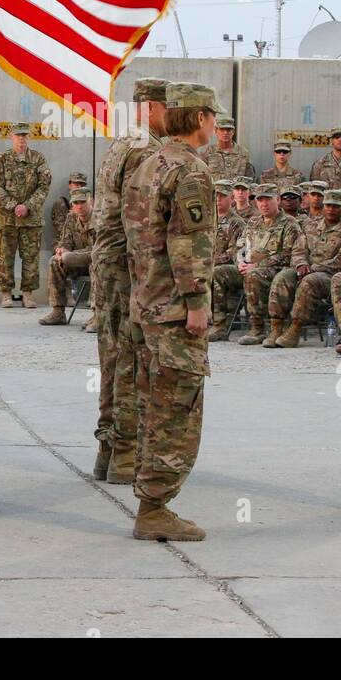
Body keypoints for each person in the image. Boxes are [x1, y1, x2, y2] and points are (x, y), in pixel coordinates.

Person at [123, 82, 218, 542]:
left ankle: (150, 500)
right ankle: (155, 507)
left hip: (146, 302)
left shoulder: (148, 165)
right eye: (213, 117)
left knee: (151, 403)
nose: (216, 125)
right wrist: (196, 302)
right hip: (174, 310)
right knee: (176, 408)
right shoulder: (190, 171)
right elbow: (187, 244)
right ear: (199, 119)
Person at [90, 79, 167, 481]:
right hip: (126, 264)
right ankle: (124, 453)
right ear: (152, 108)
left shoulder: (125, 141)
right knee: (130, 356)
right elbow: (140, 221)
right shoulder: (145, 149)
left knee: (113, 354)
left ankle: (109, 449)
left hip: (109, 262)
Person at [269, 188, 341, 348]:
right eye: (328, 205)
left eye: (335, 206)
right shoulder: (311, 226)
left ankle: (295, 329)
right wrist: (301, 264)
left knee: (310, 282)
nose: (331, 209)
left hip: (331, 276)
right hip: (306, 269)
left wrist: (313, 268)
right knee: (283, 277)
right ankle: (276, 327)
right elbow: (299, 249)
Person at [0, 123, 52, 308]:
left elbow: (44, 186)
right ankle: (6, 294)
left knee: (31, 257)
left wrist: (27, 206)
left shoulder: (38, 159)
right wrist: (13, 205)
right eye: (18, 136)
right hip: (6, 218)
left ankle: (27, 294)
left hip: (30, 219)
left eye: (24, 135)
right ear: (12, 138)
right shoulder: (1, 159)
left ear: (28, 138)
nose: (21, 139)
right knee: (4, 257)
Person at [235, 184, 300, 345]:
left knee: (254, 276)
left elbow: (287, 254)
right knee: (219, 273)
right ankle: (217, 323)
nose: (264, 204)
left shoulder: (289, 223)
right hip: (249, 267)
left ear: (277, 200)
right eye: (260, 200)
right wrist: (240, 261)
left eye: (268, 199)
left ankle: (259, 328)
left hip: (277, 269)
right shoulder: (253, 222)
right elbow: (240, 246)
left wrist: (257, 266)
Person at [39, 188, 92, 325]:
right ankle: (58, 312)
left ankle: (98, 315)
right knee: (55, 262)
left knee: (98, 263)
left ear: (91, 201)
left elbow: (98, 249)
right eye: (76, 203)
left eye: (83, 202)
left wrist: (70, 256)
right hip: (77, 262)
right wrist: (62, 249)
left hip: (95, 259)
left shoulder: (100, 217)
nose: (79, 206)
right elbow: (66, 241)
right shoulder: (71, 218)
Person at [207, 179, 246, 341]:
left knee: (215, 273)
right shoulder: (207, 219)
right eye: (215, 196)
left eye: (222, 196)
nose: (217, 199)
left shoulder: (236, 223)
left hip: (229, 268)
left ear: (231, 198)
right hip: (208, 264)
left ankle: (219, 324)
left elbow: (235, 251)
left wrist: (212, 261)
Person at [49, 171, 89, 242]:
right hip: (64, 242)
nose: (79, 187)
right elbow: (61, 230)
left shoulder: (89, 203)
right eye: (76, 184)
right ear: (70, 185)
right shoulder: (62, 204)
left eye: (82, 184)